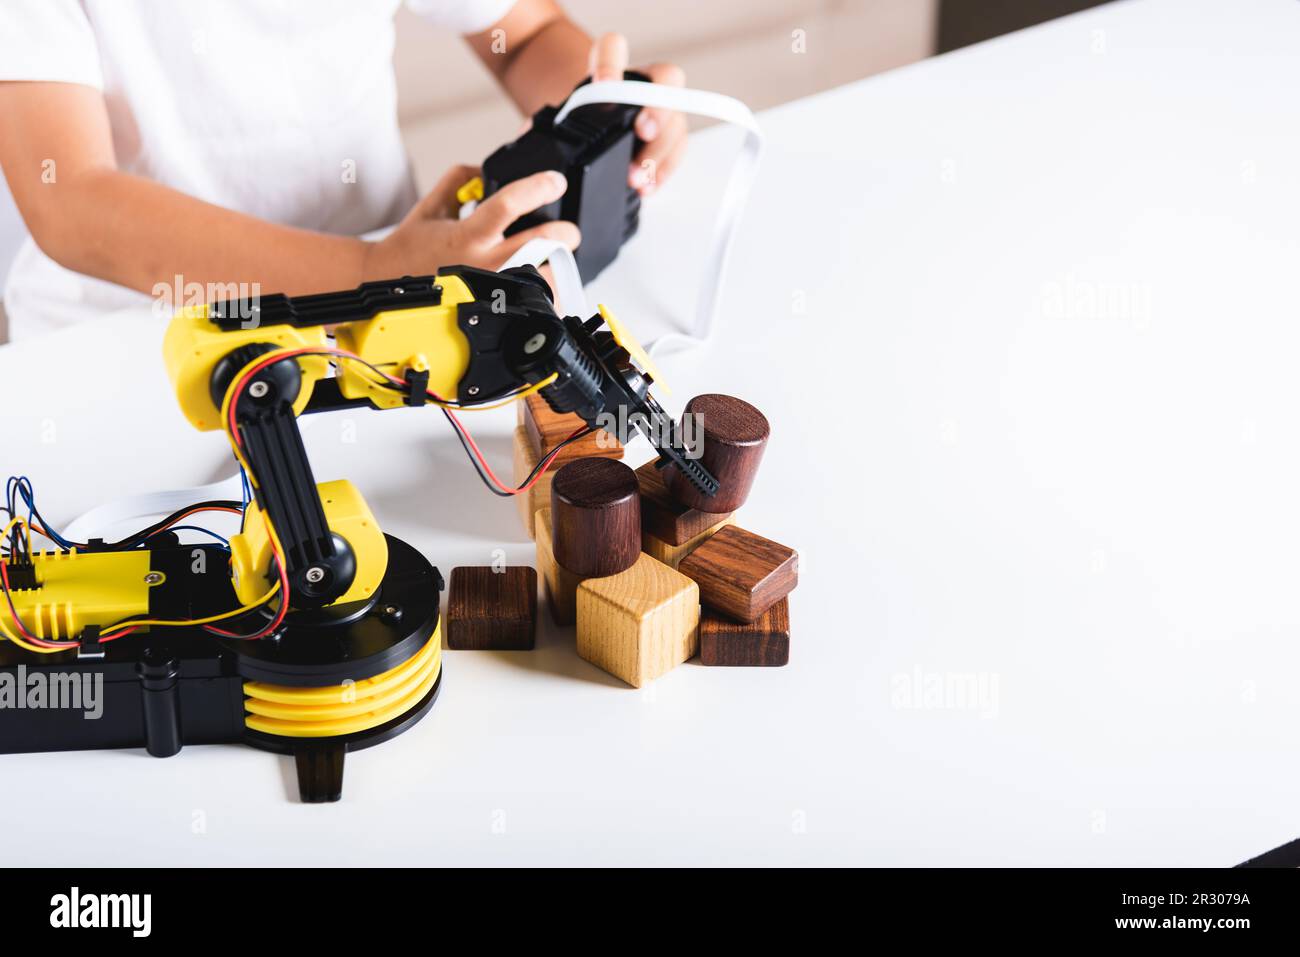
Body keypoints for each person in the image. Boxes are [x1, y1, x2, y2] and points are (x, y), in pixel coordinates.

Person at [0, 0, 688, 340]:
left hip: (397, 298)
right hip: (121, 336)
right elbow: (71, 202)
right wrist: (369, 275)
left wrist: (608, 107)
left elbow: (522, 38)